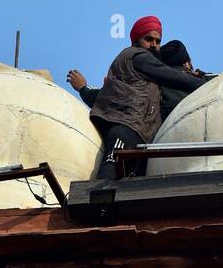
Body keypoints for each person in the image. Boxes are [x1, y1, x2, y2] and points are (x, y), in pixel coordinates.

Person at [67, 16, 208, 178]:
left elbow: (105, 96)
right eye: (148, 39)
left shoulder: (144, 79)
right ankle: (99, 201)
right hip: (127, 127)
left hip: (139, 134)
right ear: (136, 40)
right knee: (110, 169)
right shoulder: (138, 56)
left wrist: (84, 89)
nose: (154, 44)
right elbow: (174, 77)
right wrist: (208, 85)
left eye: (157, 41)